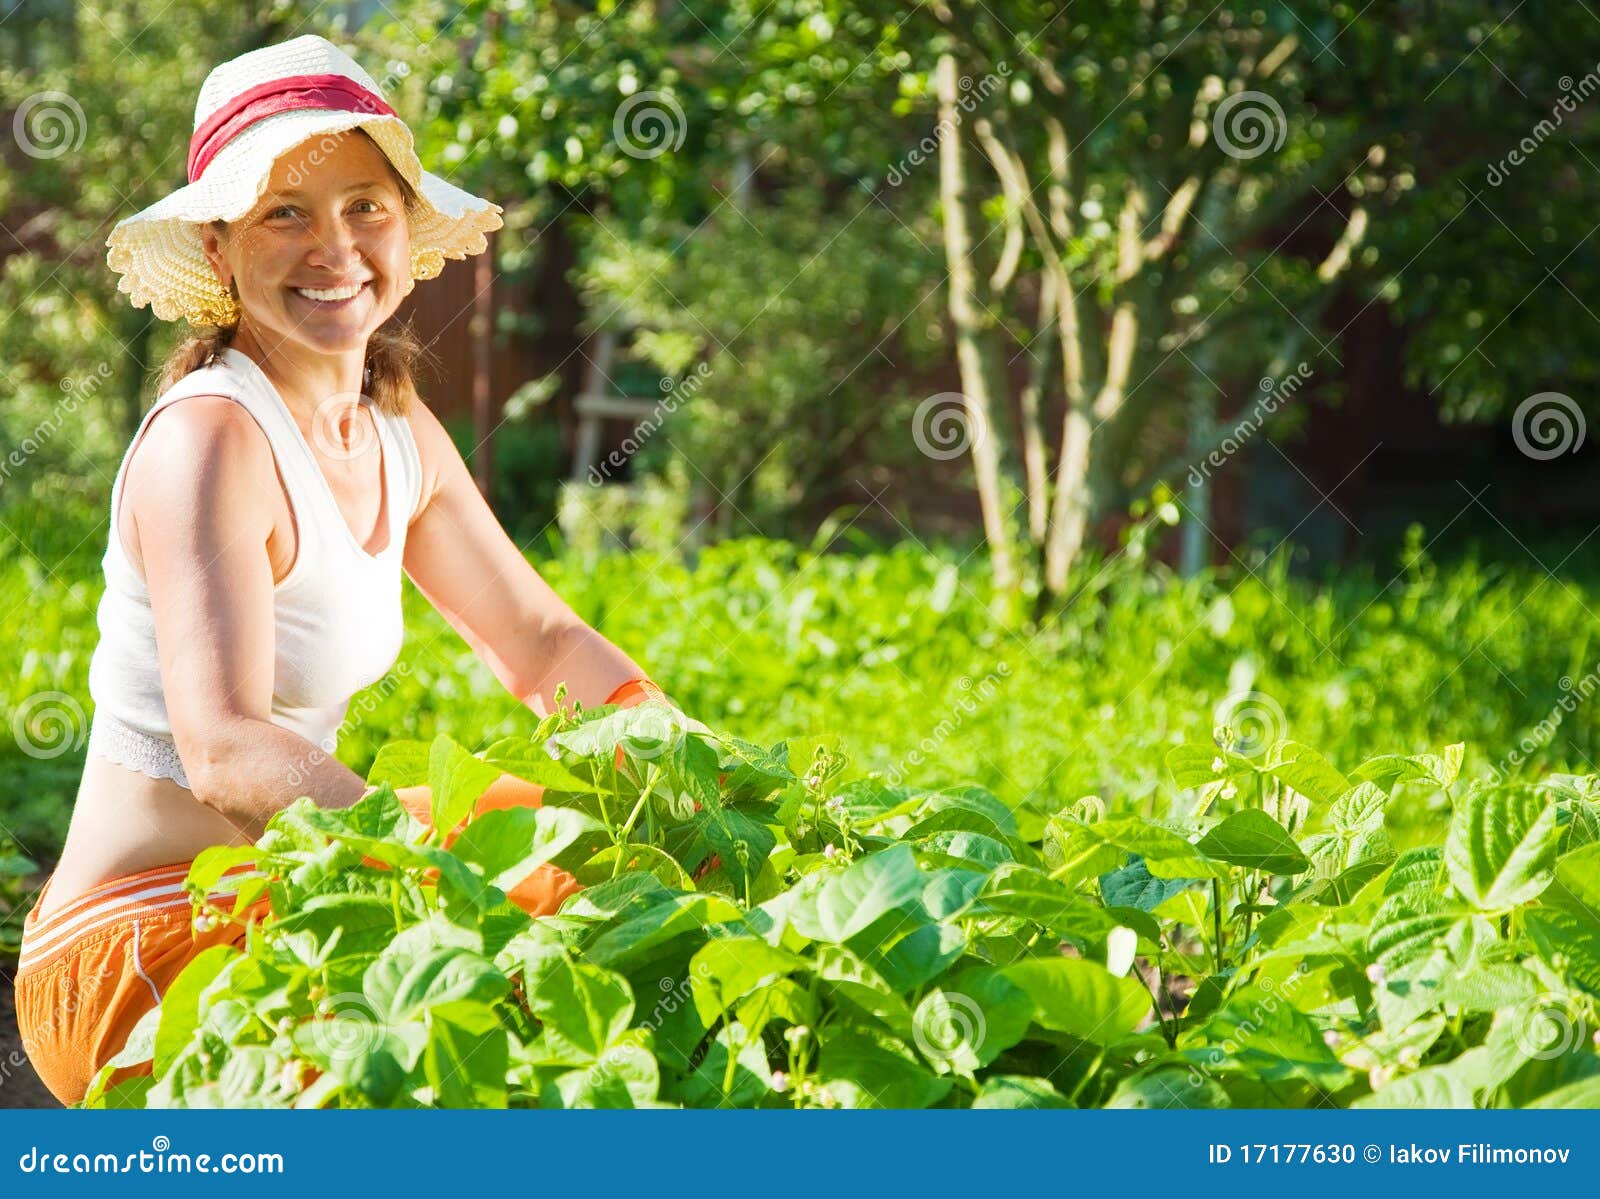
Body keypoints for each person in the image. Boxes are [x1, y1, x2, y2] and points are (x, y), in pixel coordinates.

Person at [14, 35, 675, 1106]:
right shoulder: (213, 438)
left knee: (588, 843)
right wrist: (446, 869)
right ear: (220, 250)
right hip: (135, 956)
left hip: (275, 898)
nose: (336, 247)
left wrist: (695, 774)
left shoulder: (396, 424)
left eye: (365, 207)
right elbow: (225, 750)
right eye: (285, 213)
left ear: (407, 231)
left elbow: (542, 642)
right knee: (522, 914)